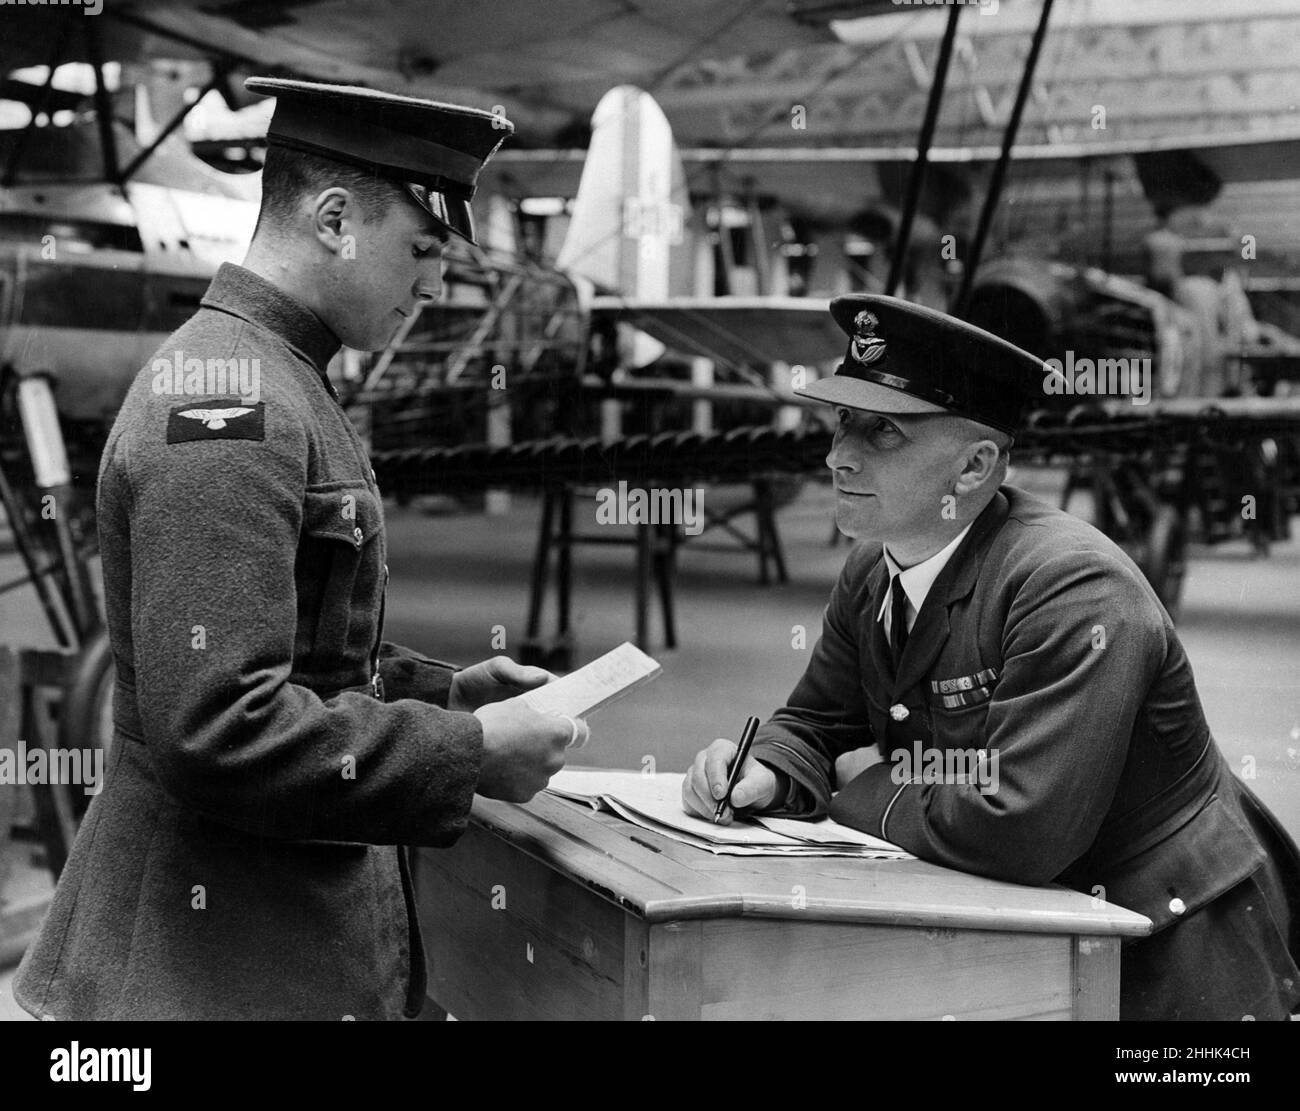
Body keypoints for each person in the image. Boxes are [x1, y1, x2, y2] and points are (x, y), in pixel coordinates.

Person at [15, 78, 586, 1020]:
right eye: (423, 247)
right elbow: (220, 728)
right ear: (332, 219)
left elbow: (297, 647)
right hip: (201, 970)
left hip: (259, 945)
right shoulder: (227, 406)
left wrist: (441, 696)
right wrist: (467, 754)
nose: (436, 282)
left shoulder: (277, 376)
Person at [682, 294, 1300, 1021]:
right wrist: (771, 768)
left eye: (881, 431)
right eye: (842, 420)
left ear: (975, 466)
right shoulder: (876, 568)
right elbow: (818, 719)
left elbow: (1021, 827)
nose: (837, 453)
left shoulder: (1073, 589)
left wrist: (855, 787)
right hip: (1030, 930)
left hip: (1171, 955)